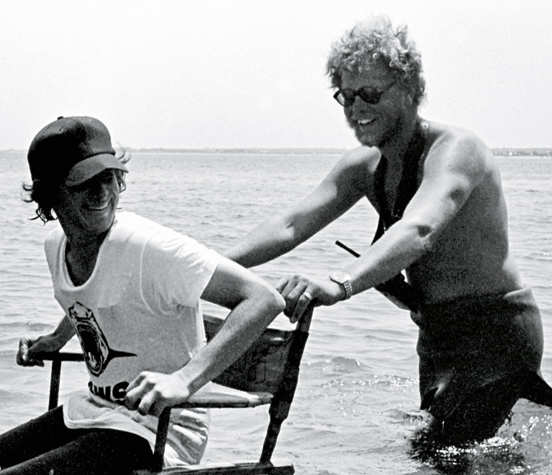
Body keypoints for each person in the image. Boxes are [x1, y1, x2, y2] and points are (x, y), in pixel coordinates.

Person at [225, 16, 551, 446]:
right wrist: (202, 267)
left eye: (371, 94)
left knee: (444, 461)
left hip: (495, 332)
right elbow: (289, 225)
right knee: (454, 467)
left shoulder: (456, 150)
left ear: (410, 89)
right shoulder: (364, 168)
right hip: (435, 336)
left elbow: (420, 229)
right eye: (346, 95)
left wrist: (340, 283)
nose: (357, 108)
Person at [0, 116, 285, 475]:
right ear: (50, 195)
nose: (102, 193)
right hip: (95, 410)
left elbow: (263, 299)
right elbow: (94, 297)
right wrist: (57, 337)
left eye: (109, 178)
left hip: (155, 431)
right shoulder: (56, 247)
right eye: (83, 183)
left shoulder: (149, 247)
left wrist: (184, 380)